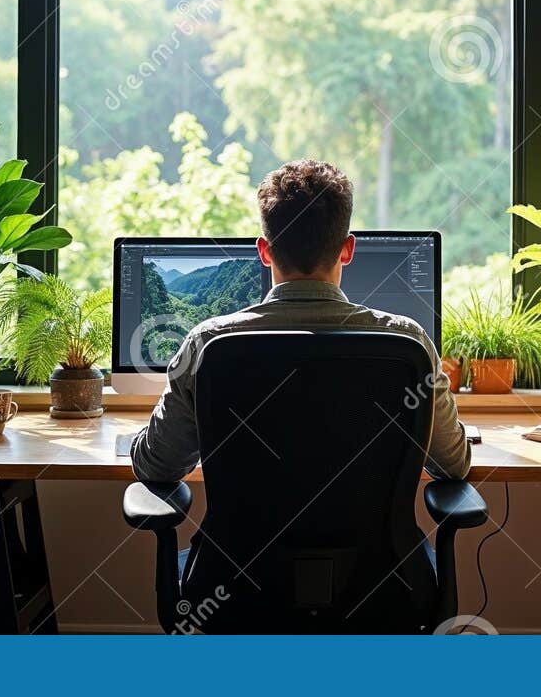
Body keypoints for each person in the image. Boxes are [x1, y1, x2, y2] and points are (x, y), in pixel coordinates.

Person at [129, 159, 471, 483]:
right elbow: (453, 465)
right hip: (377, 547)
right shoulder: (407, 343)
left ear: (264, 251)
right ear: (348, 250)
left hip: (242, 548)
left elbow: (157, 467)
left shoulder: (208, 343)